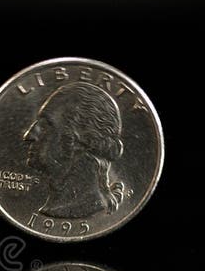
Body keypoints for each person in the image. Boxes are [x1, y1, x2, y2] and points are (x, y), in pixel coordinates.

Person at [22, 82, 127, 219]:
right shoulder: (60, 207)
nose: (28, 136)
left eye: (45, 126)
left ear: (83, 140)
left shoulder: (78, 207)